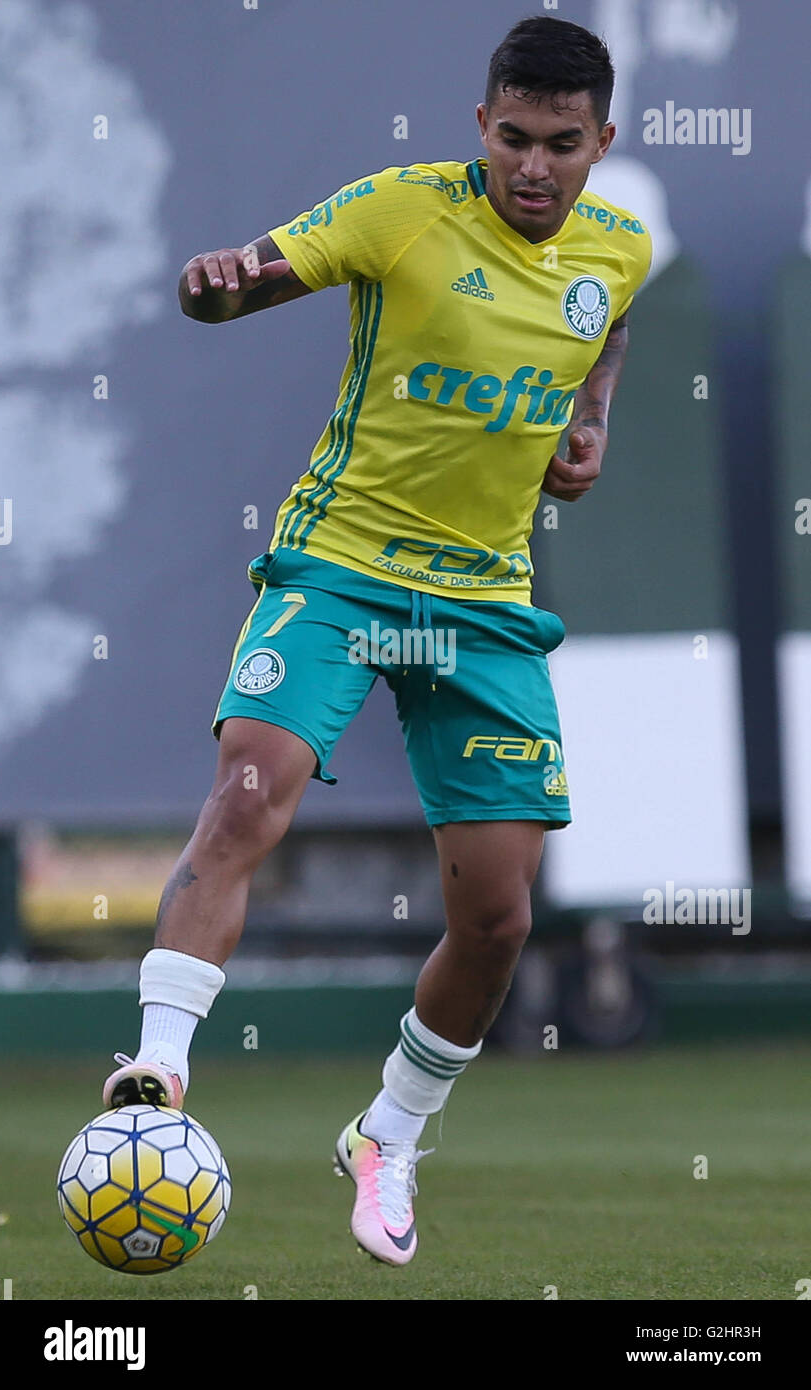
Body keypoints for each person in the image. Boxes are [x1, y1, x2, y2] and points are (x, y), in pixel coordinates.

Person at [103, 14, 651, 1266]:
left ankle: (388, 1135)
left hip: (484, 602)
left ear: (599, 142)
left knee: (501, 918)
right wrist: (217, 285)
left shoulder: (617, 249)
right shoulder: (399, 208)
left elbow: (607, 327)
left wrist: (594, 420)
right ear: (480, 125)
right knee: (249, 789)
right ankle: (156, 1074)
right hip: (344, 566)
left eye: (561, 146)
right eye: (511, 138)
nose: (532, 168)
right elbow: (256, 271)